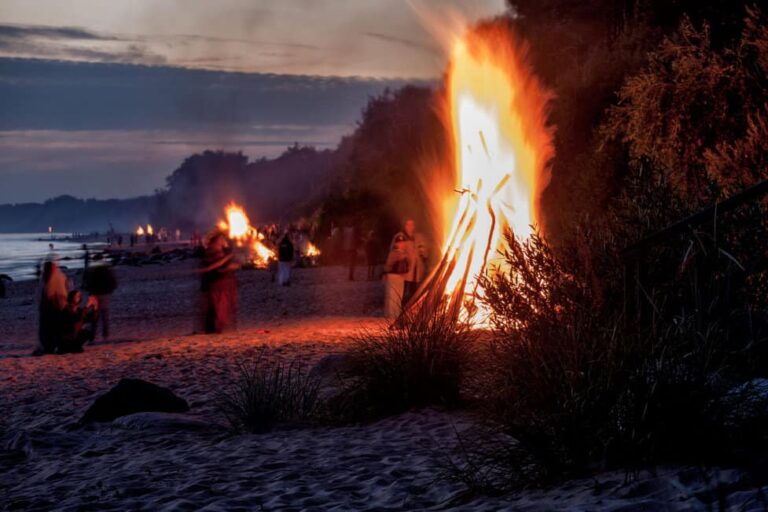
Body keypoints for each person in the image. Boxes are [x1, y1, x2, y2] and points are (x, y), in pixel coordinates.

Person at [200, 231, 239, 334]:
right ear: (218, 240)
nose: (224, 240)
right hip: (215, 285)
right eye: (222, 239)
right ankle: (212, 331)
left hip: (222, 285)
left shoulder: (221, 251)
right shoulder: (212, 251)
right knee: (216, 310)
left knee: (220, 309)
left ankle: (215, 330)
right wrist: (228, 263)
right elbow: (215, 268)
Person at [390, 218, 428, 307]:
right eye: (408, 225)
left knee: (414, 292)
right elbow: (395, 250)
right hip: (405, 271)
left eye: (412, 225)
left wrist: (423, 251)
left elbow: (425, 253)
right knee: (403, 292)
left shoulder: (418, 237)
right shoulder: (400, 236)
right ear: (405, 226)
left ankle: (411, 310)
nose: (410, 227)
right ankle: (402, 309)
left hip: (416, 271)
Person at [37, 260, 68, 354]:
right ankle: (51, 346)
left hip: (54, 306)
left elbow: (60, 291)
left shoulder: (56, 277)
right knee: (50, 328)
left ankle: (53, 346)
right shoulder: (48, 277)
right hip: (50, 306)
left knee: (53, 327)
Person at [83, 264, 118, 341]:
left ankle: (92, 336)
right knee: (105, 315)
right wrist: (110, 291)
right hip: (105, 294)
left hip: (96, 294)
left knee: (95, 316)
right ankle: (105, 335)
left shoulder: (93, 273)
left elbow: (88, 284)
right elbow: (114, 283)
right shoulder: (108, 273)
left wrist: (90, 292)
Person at [383, 234, 410, 319]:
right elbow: (388, 266)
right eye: (400, 243)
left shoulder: (404, 253)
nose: (402, 244)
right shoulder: (394, 253)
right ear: (396, 244)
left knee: (398, 296)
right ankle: (391, 315)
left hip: (401, 276)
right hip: (393, 276)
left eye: (403, 242)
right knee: (393, 296)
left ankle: (396, 314)